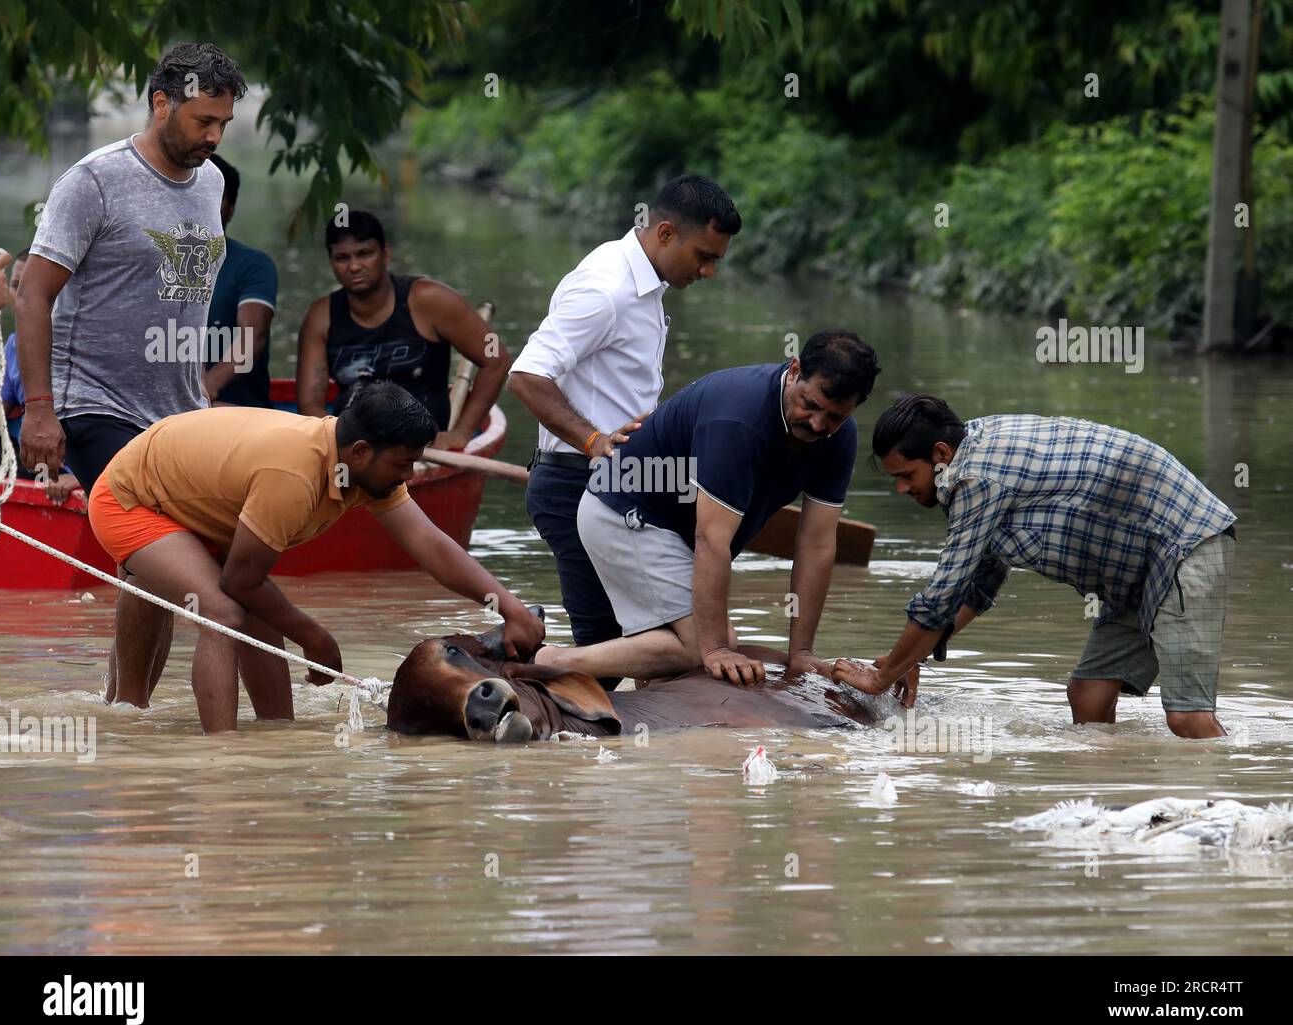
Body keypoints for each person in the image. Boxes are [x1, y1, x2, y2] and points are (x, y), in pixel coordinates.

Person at [88, 381, 545, 733]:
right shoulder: (292, 474)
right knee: (225, 612)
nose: (410, 474)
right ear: (361, 452)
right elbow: (240, 585)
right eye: (403, 464)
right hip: (131, 498)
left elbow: (431, 544)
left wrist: (510, 607)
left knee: (260, 611)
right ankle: (221, 761)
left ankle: (277, 733)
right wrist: (315, 637)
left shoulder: (367, 470)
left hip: (200, 496)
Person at [16, 42, 246, 708]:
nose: (212, 136)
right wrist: (38, 409)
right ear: (160, 102)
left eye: (223, 125)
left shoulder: (212, 181)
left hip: (178, 410)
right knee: (162, 553)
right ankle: (133, 712)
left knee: (148, 566)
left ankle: (124, 709)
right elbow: (33, 293)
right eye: (203, 120)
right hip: (93, 402)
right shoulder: (94, 182)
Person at [835, 395, 1238, 739]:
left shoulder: (975, 478)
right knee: (1088, 695)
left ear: (940, 454)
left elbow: (941, 594)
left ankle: (1240, 809)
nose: (902, 489)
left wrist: (881, 677)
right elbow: (981, 582)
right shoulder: (968, 453)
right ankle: (1111, 801)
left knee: (1188, 718)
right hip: (1132, 569)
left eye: (906, 475)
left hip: (1182, 544)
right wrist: (906, 660)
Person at [534, 332, 880, 685]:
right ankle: (552, 660)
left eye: (834, 417)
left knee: (686, 655)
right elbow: (712, 539)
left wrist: (801, 652)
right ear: (794, 371)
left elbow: (817, 544)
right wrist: (714, 650)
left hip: (681, 532)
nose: (818, 424)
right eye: (810, 404)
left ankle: (645, 683)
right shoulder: (738, 419)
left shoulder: (839, 439)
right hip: (626, 511)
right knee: (706, 644)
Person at [508, 175, 741, 688]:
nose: (708, 271)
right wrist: (595, 441)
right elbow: (526, 374)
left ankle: (636, 761)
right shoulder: (606, 289)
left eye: (717, 259)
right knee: (605, 659)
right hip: (576, 485)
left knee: (646, 649)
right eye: (704, 256)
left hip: (629, 486)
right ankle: (522, 681)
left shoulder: (645, 286)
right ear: (664, 233)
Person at [296, 210, 508, 445]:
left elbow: (496, 359)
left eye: (364, 254)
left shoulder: (430, 300)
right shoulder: (321, 317)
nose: (354, 266)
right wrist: (338, 445)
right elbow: (309, 405)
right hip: (354, 448)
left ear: (385, 254)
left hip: (421, 446)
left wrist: (462, 433)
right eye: (342, 258)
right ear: (331, 262)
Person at [0, 249, 80, 503]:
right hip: (33, 465)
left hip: (85, 468)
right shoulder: (13, 344)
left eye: (32, 287)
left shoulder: (90, 343)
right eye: (15, 286)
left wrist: (82, 478)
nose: (23, 295)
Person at [202, 154, 279, 407]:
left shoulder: (253, 265)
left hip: (236, 411)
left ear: (231, 208)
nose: (204, 205)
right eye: (197, 195)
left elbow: (253, 336)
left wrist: (204, 391)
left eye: (216, 197)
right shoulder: (155, 264)